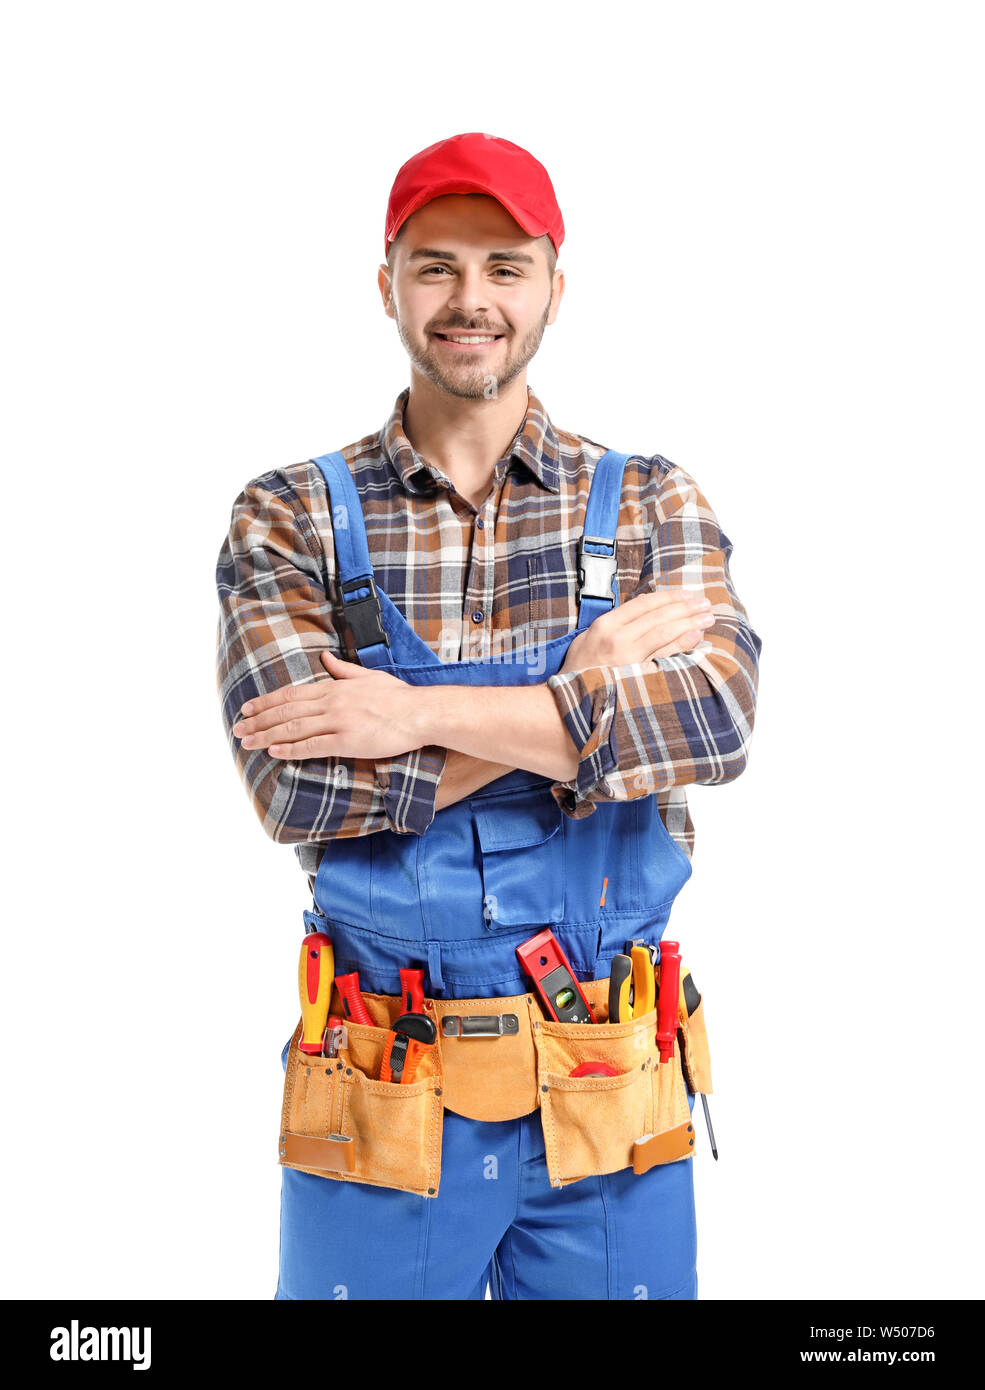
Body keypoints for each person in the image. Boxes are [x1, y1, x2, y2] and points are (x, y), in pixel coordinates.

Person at [215, 131, 762, 1300]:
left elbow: (714, 721)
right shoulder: (289, 516)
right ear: (387, 285)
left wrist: (401, 716)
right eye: (437, 266)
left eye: (506, 267)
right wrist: (587, 698)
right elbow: (300, 790)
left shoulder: (651, 498)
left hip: (611, 1087)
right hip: (380, 1096)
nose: (472, 300)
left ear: (555, 287)